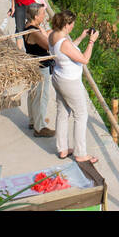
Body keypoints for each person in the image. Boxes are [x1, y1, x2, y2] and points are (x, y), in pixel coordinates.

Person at [48, 10, 98, 163]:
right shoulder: (64, 42)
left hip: (58, 77)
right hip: (69, 81)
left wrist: (82, 37)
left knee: (63, 112)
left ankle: (62, 148)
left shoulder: (53, 35)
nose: (73, 26)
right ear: (67, 24)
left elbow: (67, 51)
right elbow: (84, 59)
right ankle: (80, 153)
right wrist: (91, 42)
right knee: (81, 114)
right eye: (72, 24)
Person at [22, 3, 55, 137]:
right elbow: (48, 45)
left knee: (33, 94)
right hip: (41, 66)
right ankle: (40, 127)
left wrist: (49, 31)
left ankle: (33, 120)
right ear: (36, 16)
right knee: (41, 96)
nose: (44, 15)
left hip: (34, 64)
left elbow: (42, 38)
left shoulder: (30, 27)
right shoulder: (34, 32)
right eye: (42, 13)